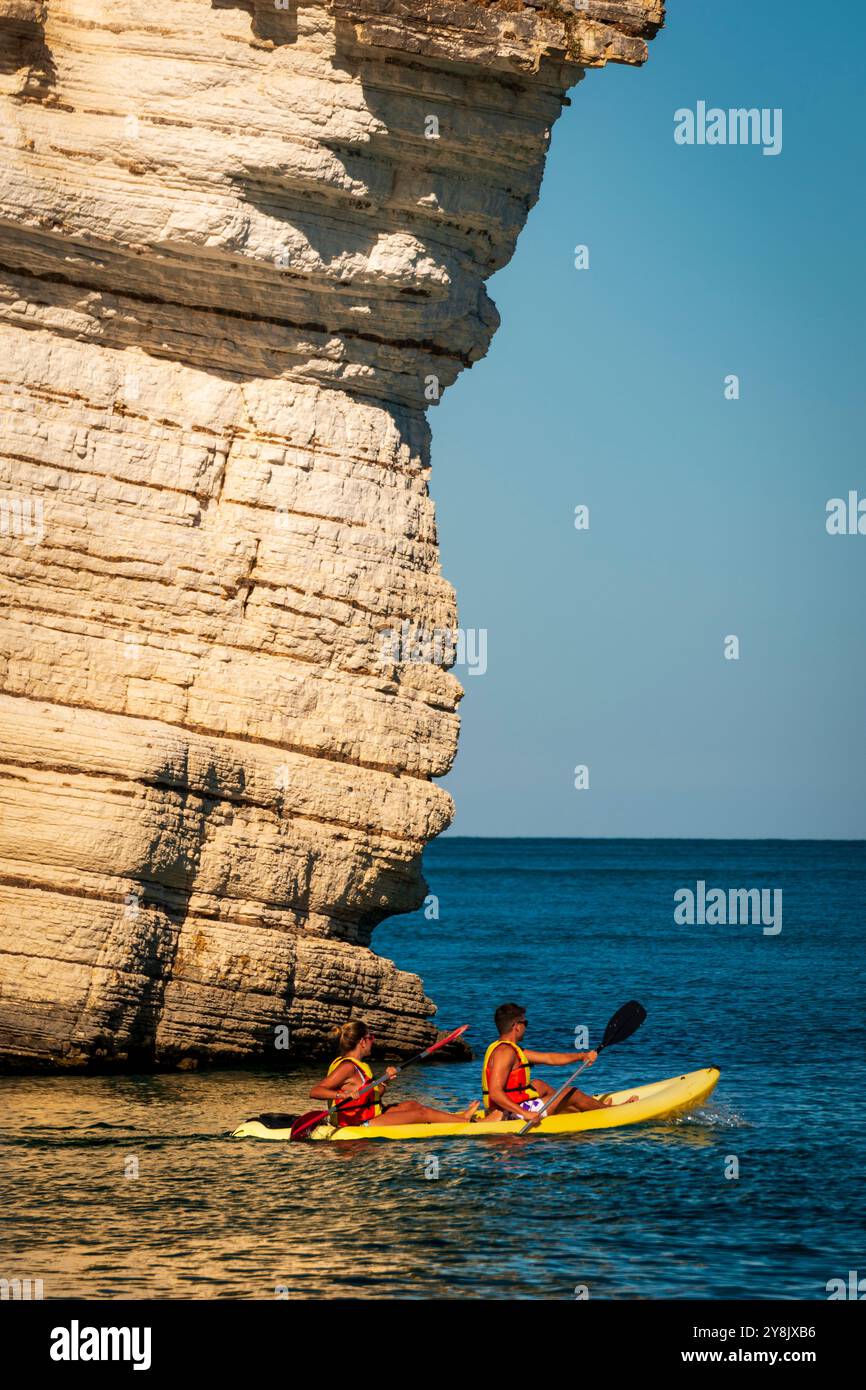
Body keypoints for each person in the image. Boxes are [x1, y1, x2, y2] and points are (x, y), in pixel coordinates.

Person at [481, 1002, 636, 1124]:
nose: (526, 1027)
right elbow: (495, 1092)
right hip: (510, 1114)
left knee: (538, 1084)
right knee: (571, 1092)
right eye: (525, 1023)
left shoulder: (513, 1050)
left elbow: (550, 1058)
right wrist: (525, 1113)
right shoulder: (504, 1053)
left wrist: (582, 1056)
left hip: (514, 1108)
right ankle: (609, 1110)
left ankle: (588, 1108)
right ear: (516, 1026)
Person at [311, 1021, 479, 1129]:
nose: (373, 1041)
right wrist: (343, 1094)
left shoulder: (359, 1066)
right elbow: (316, 1091)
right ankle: (466, 1123)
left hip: (370, 1114)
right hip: (357, 1124)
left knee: (413, 1104)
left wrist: (385, 1080)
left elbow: (373, 1096)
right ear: (362, 1042)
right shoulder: (347, 1066)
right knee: (422, 1113)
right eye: (371, 1037)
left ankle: (458, 1117)